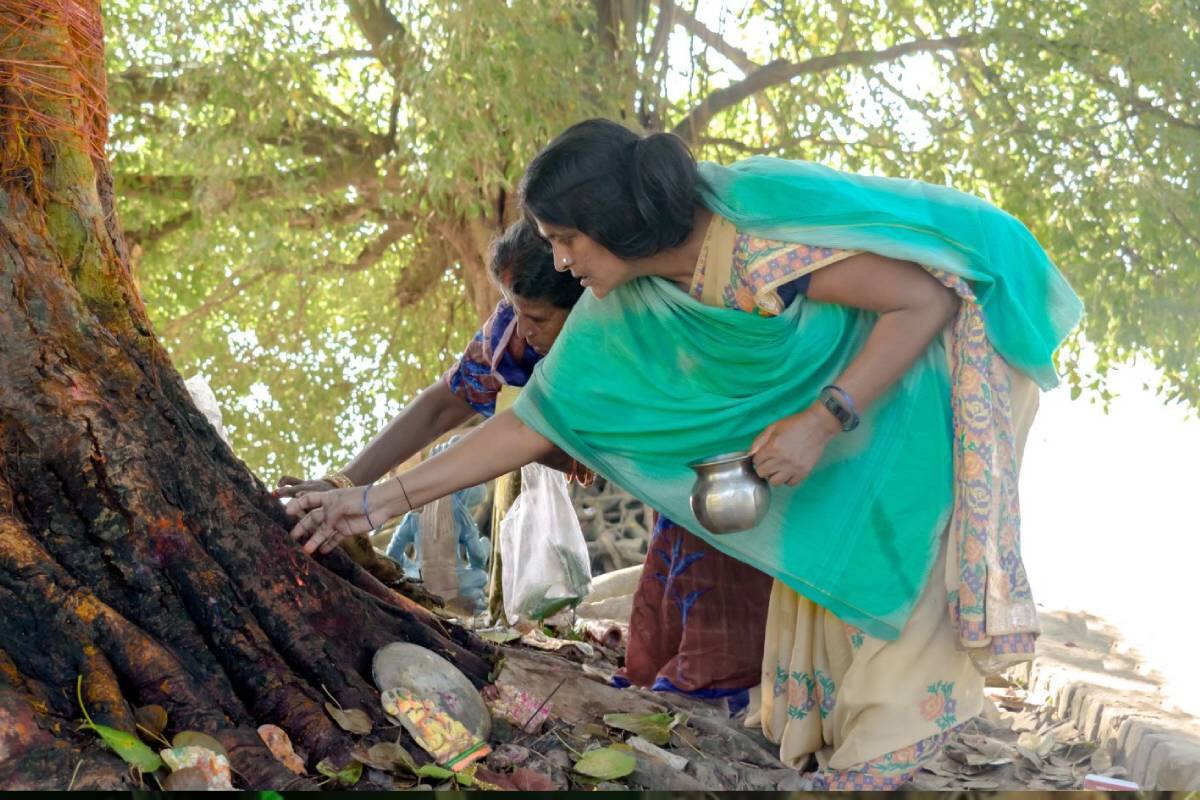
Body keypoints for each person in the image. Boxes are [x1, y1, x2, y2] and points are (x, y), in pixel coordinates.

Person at [286, 119, 1082, 787]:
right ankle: (840, 743)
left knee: (898, 531)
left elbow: (928, 297)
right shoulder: (619, 297)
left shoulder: (752, 241)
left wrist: (823, 417)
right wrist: (368, 501)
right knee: (829, 523)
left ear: (616, 226)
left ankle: (877, 756)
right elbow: (531, 423)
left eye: (566, 240)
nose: (559, 263)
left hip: (955, 336)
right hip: (861, 361)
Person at [277, 216, 774, 701]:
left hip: (715, 471)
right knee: (667, 623)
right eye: (512, 310)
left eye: (537, 318)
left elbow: (522, 432)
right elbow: (442, 404)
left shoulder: (631, 335)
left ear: (589, 304)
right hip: (666, 491)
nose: (521, 330)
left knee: (723, 614)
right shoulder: (512, 337)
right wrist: (343, 481)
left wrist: (374, 502)